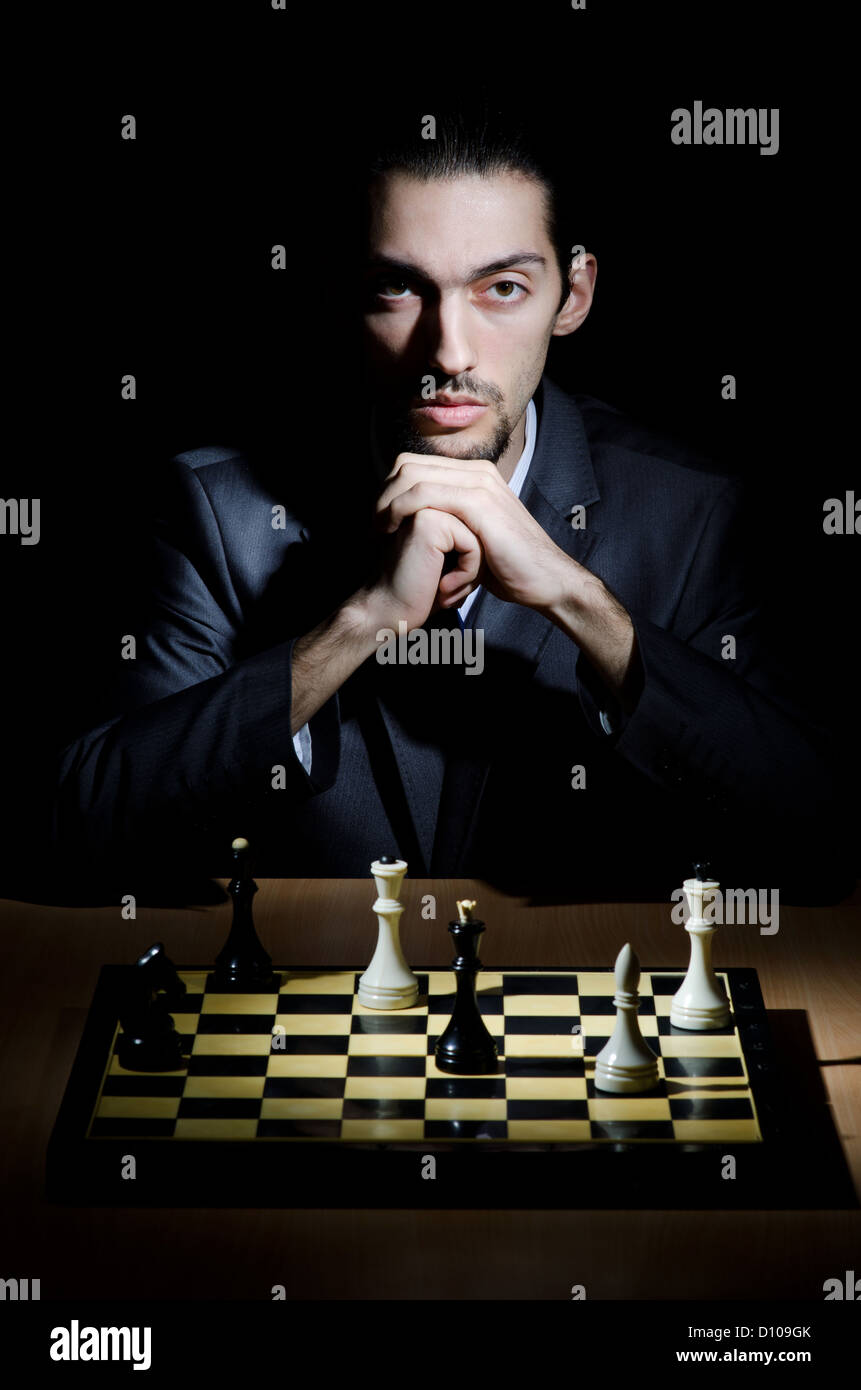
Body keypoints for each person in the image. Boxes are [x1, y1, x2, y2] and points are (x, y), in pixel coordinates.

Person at [52, 108, 839, 899]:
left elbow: (821, 837)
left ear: (572, 295)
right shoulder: (220, 510)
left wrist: (576, 597)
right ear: (344, 296)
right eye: (398, 288)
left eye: (501, 288)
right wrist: (355, 625)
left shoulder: (691, 514)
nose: (448, 354)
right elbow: (75, 834)